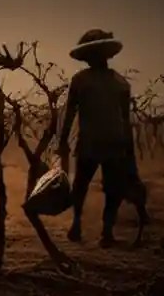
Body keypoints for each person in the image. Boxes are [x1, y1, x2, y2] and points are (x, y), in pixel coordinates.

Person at [56, 29, 149, 247]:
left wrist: (63, 140)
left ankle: (97, 230)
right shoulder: (115, 82)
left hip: (104, 143)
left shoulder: (94, 81)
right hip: (102, 142)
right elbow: (71, 112)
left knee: (100, 187)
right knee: (92, 186)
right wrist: (62, 141)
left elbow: (123, 119)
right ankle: (88, 228)